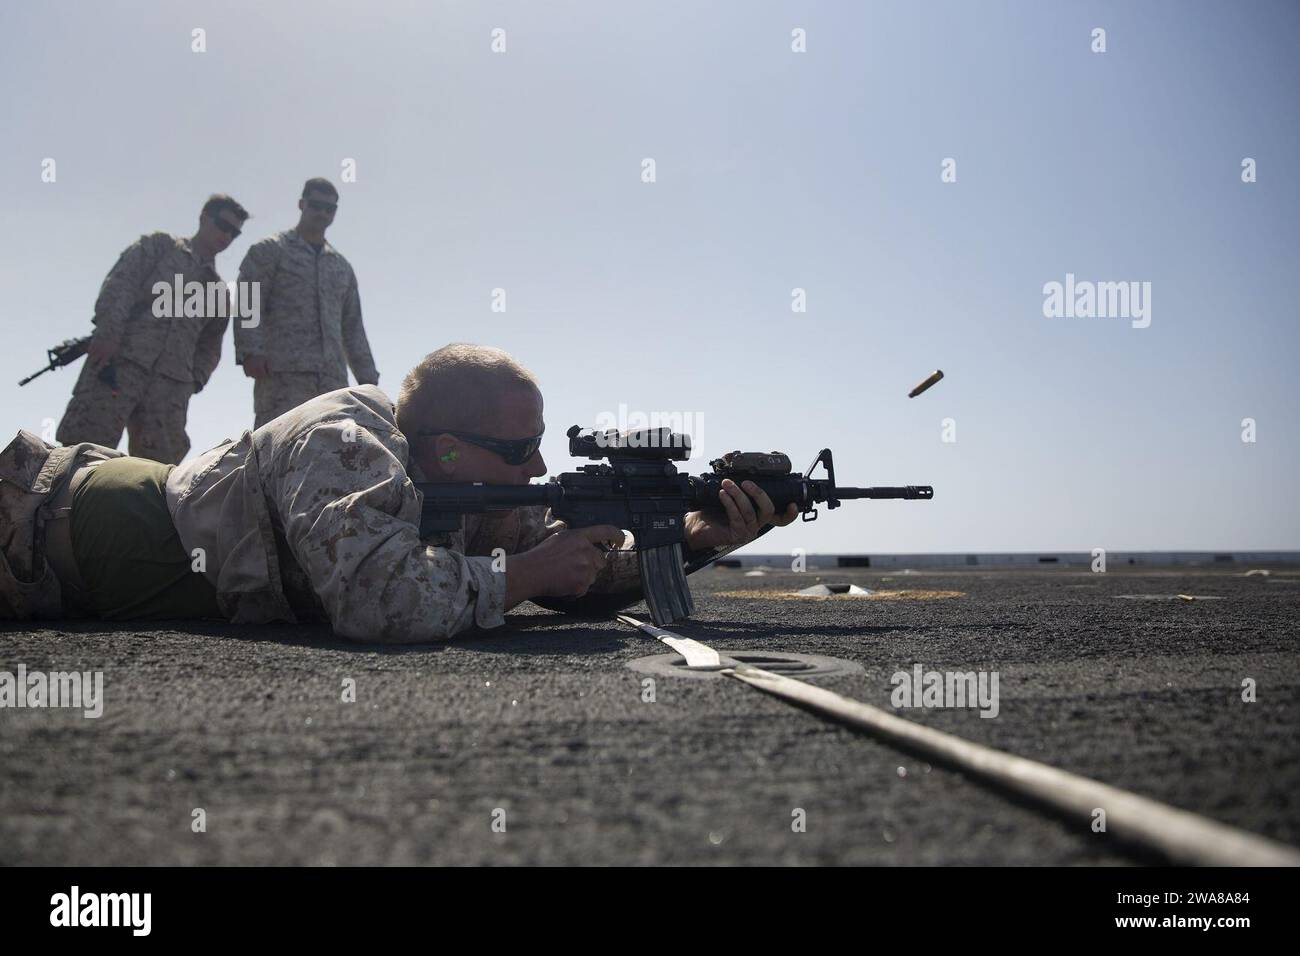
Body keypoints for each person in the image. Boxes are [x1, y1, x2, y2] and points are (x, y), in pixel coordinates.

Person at [1, 344, 798, 639]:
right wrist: (523, 577)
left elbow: (571, 572)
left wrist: (695, 535)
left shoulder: (482, 486)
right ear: (448, 448)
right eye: (520, 449)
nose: (535, 468)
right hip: (38, 526)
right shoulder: (343, 440)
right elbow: (379, 599)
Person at [54, 195, 250, 464]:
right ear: (204, 217)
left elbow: (211, 344)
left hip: (170, 388)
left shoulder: (218, 291)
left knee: (157, 473)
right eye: (222, 225)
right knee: (82, 453)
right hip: (120, 364)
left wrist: (194, 380)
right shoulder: (159, 247)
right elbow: (121, 285)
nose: (227, 236)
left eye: (234, 232)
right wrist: (108, 334)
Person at [234, 178, 379, 428]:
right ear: (302, 204)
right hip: (283, 376)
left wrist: (368, 379)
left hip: (331, 382)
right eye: (316, 205)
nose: (323, 213)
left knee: (329, 452)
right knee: (276, 450)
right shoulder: (270, 251)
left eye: (330, 208)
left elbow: (352, 327)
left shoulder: (341, 267)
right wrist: (250, 351)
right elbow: (249, 298)